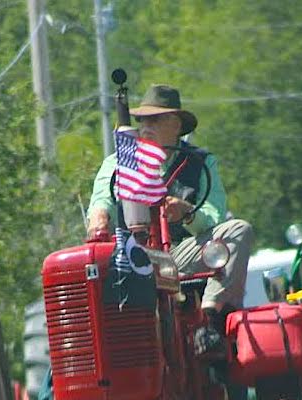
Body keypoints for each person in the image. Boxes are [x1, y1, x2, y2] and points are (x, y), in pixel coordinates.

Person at [86, 84, 253, 353]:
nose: (145, 126)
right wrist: (99, 217)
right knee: (81, 267)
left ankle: (209, 323)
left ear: (175, 124)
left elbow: (214, 217)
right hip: (130, 258)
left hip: (180, 256)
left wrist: (187, 213)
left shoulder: (200, 162)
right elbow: (101, 200)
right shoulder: (119, 163)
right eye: (141, 120)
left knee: (237, 231)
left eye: (155, 119)